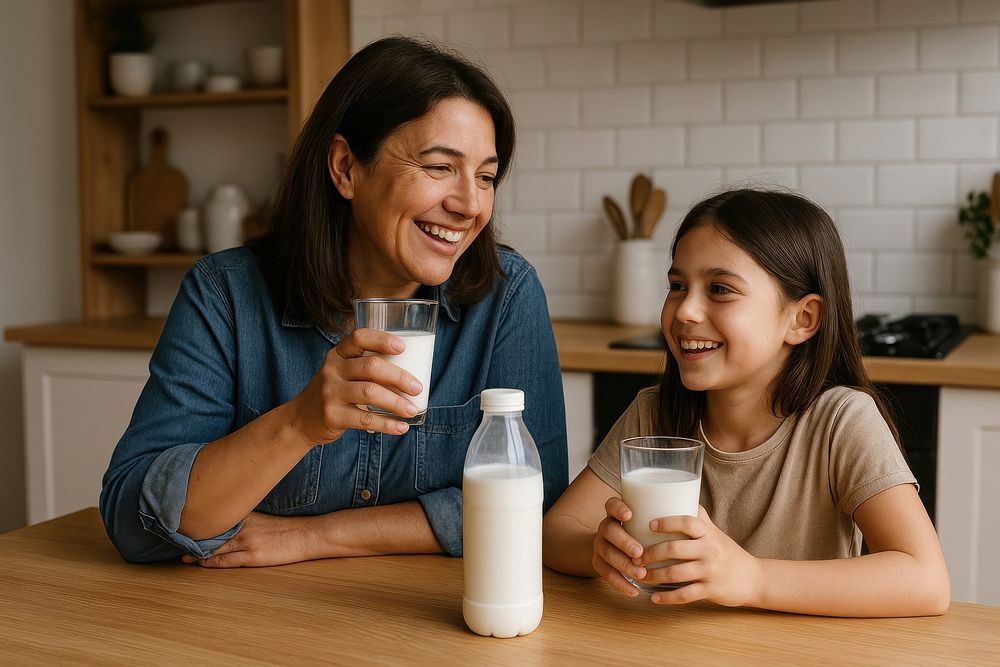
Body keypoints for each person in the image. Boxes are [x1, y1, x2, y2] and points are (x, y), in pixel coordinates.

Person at [100, 36, 568, 566]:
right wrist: (299, 424)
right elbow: (133, 522)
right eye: (439, 167)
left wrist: (313, 537)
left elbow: (538, 505)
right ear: (346, 167)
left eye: (485, 177)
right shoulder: (226, 295)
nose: (469, 205)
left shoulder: (505, 297)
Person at [542, 189, 950, 617]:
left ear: (802, 319)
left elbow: (926, 581)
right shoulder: (653, 413)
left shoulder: (841, 423)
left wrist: (751, 578)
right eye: (677, 285)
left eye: (720, 289)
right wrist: (599, 549)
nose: (685, 312)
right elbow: (555, 531)